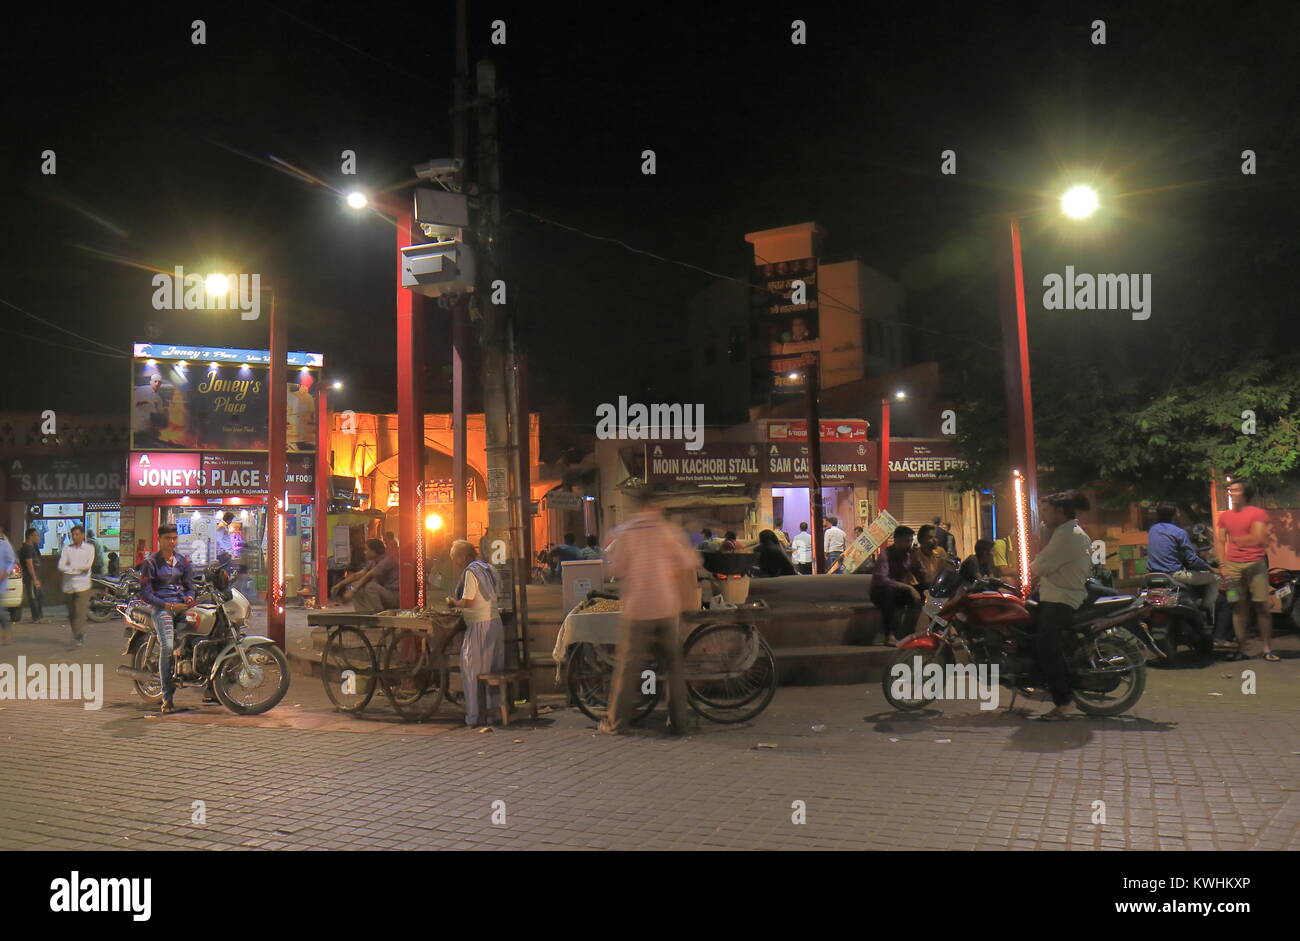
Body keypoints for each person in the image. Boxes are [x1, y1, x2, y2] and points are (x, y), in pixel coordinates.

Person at [600, 490, 696, 735]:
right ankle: (679, 723)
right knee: (673, 666)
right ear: (655, 507)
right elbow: (689, 561)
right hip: (666, 606)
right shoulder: (668, 530)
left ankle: (617, 723)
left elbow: (615, 568)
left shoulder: (625, 532)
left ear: (638, 507)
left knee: (628, 668)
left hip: (638, 609)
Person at [1029, 490, 1094, 720]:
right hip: (1054, 594)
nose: (1042, 515)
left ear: (1059, 511)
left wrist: (1035, 565)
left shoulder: (1069, 535)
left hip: (1062, 598)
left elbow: (1039, 566)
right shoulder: (1064, 532)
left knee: (1046, 645)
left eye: (1046, 510)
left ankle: (1064, 702)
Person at [444, 540, 506, 726]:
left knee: (472, 670)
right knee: (492, 670)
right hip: (495, 623)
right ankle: (493, 713)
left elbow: (468, 601)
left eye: (455, 559)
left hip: (480, 626)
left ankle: (475, 716)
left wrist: (453, 602)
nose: (455, 563)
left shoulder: (472, 571)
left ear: (462, 557)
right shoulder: (488, 567)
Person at [138, 524, 196, 714]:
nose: (171, 542)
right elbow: (146, 593)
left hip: (181, 607)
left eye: (174, 538)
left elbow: (190, 586)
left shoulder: (183, 561)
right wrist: (168, 606)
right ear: (159, 539)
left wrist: (188, 598)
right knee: (168, 647)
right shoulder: (151, 563)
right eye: (167, 538)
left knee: (202, 636)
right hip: (162, 608)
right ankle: (167, 697)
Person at [1216, 479, 1276, 661]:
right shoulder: (1225, 516)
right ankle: (1241, 649)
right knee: (1237, 607)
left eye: (1235, 490)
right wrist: (1223, 565)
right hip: (1233, 567)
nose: (1231, 493)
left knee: (1262, 606)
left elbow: (1258, 538)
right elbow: (1219, 540)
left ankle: (1267, 649)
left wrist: (1241, 540)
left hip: (1255, 565)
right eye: (1230, 490)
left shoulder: (1257, 513)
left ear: (1245, 493)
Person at [1146, 503, 1217, 620]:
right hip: (1174, 575)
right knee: (1215, 578)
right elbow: (1192, 560)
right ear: (1174, 515)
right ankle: (1205, 610)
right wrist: (1212, 569)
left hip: (1152, 575)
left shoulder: (1153, 530)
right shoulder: (1179, 532)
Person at [870, 526, 926, 643]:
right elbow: (883, 580)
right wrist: (909, 587)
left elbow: (921, 577)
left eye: (910, 541)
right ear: (896, 540)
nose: (909, 544)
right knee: (888, 592)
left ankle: (912, 632)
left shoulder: (911, 554)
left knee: (925, 590)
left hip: (900, 590)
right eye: (906, 541)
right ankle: (888, 635)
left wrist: (919, 562)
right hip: (880, 592)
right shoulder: (886, 554)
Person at [332, 538, 400, 613]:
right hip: (384, 595)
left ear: (374, 551)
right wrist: (340, 584)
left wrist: (353, 590)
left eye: (366, 550)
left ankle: (379, 615)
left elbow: (369, 575)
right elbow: (357, 575)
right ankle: (363, 616)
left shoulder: (387, 561)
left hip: (393, 597)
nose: (364, 552)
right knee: (357, 586)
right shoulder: (373, 562)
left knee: (370, 586)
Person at [58, 524, 96, 648]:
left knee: (80, 611)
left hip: (83, 586)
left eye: (77, 534)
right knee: (72, 613)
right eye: (73, 535)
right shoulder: (66, 549)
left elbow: (87, 566)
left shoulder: (89, 548)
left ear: (83, 535)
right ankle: (77, 633)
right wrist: (77, 569)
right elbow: (61, 566)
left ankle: (78, 636)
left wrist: (71, 566)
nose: (74, 537)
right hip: (68, 586)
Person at [19, 527, 45, 623]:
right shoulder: (27, 548)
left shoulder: (33, 547)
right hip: (30, 577)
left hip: (36, 576)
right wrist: (34, 579)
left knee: (39, 596)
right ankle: (36, 618)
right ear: (30, 536)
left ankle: (40, 617)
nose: (38, 537)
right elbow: (29, 564)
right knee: (34, 597)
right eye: (36, 535)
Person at [0, 526, 14, 645]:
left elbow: (11, 561)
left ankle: (6, 630)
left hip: (0, 582)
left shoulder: (4, 545)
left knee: (1, 612)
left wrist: (5, 573)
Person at [214, 511, 237, 575]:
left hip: (225, 553)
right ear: (229, 519)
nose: (231, 522)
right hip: (224, 554)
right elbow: (218, 540)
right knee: (225, 573)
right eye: (231, 520)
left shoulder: (224, 526)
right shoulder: (221, 526)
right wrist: (227, 551)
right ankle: (225, 584)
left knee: (227, 572)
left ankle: (226, 583)